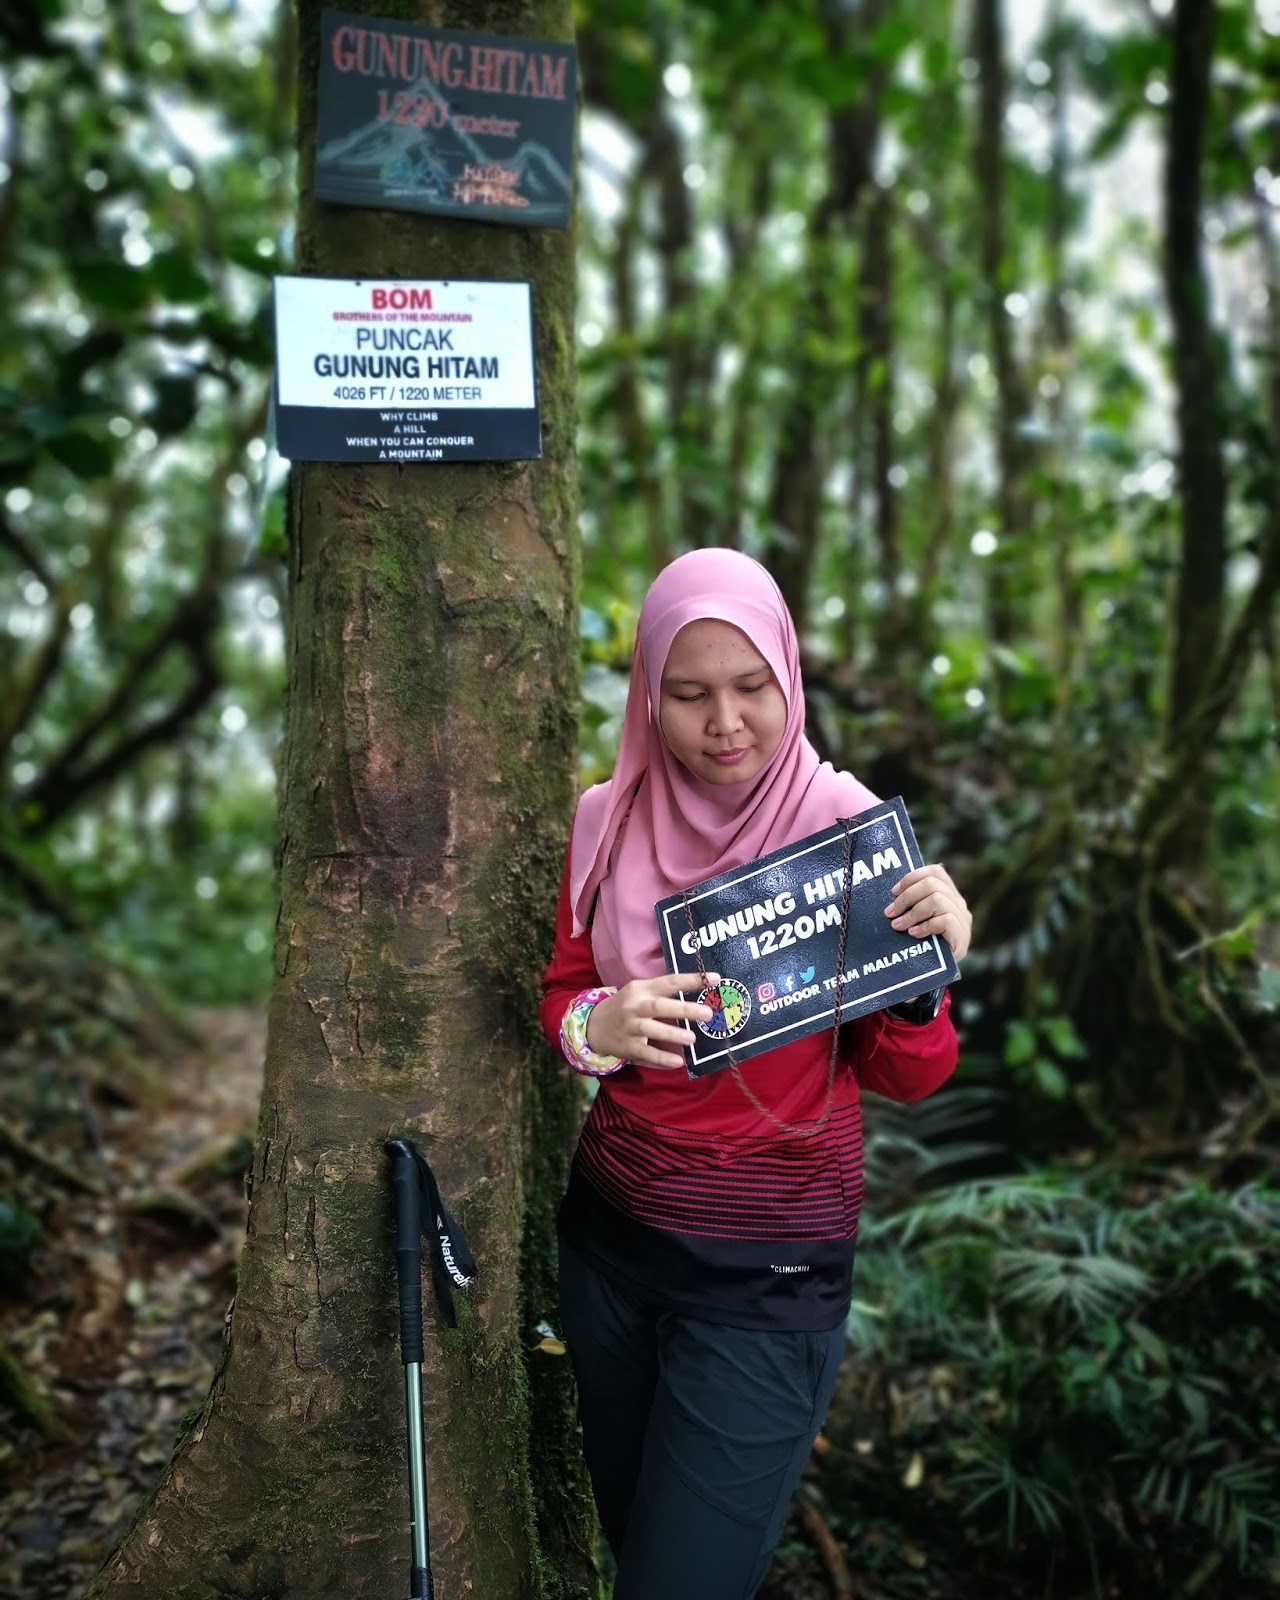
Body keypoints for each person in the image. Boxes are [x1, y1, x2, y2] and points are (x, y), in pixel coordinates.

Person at [539, 549, 971, 1600]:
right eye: (687, 696)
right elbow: (557, 993)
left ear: (788, 676)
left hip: (764, 1275)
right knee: (628, 1540)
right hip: (607, 1254)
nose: (723, 722)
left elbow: (909, 1074)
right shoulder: (605, 822)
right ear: (648, 697)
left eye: (750, 689)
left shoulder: (846, 831)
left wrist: (923, 981)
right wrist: (601, 1020)